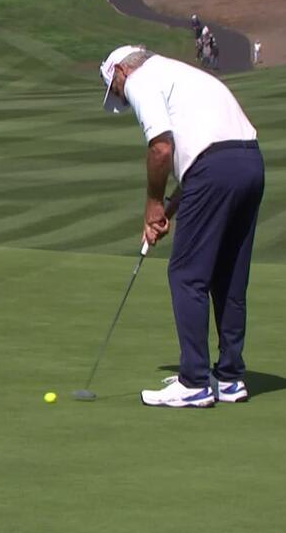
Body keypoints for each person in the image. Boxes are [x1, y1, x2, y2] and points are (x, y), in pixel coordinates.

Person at [99, 45, 264, 408]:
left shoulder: (140, 81)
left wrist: (153, 205)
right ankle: (230, 377)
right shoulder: (179, 73)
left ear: (120, 74)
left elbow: (161, 148)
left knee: (186, 275)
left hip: (215, 169)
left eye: (116, 93)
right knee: (229, 275)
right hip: (250, 162)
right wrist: (168, 213)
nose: (123, 102)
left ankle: (194, 382)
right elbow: (205, 158)